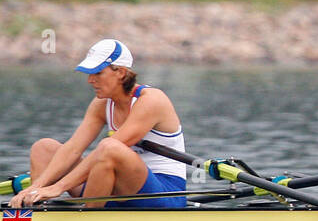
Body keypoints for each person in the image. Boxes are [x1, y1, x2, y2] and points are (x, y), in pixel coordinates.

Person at [6, 39, 188, 209]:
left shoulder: (152, 100)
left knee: (110, 147)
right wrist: (37, 186)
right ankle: (34, 205)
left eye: (98, 73)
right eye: (90, 74)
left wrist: (58, 187)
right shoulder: (102, 103)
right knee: (44, 147)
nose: (90, 80)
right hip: (115, 189)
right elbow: (73, 148)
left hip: (163, 192)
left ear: (121, 73)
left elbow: (109, 149)